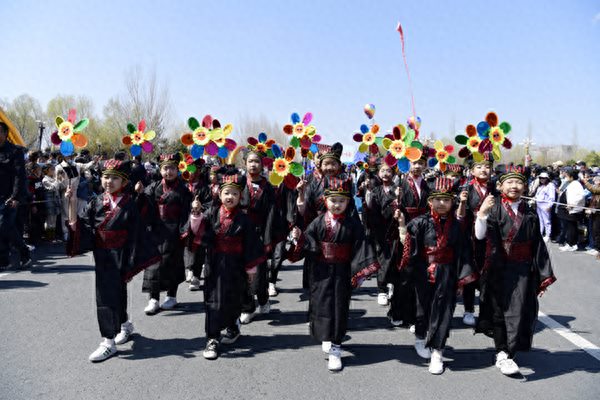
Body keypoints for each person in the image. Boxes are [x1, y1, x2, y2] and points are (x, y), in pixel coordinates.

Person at [67, 159, 160, 362]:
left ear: (124, 182)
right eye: (106, 176)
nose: (109, 181)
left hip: (122, 255)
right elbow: (82, 226)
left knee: (113, 294)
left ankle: (109, 340)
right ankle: (120, 329)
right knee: (107, 296)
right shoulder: (96, 201)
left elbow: (136, 234)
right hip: (103, 256)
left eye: (114, 178)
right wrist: (72, 203)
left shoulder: (129, 204)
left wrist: (131, 263)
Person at [290, 177, 379, 372]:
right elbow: (309, 239)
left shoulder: (353, 225)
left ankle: (336, 348)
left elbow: (360, 247)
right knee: (321, 304)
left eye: (342, 200)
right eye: (333, 200)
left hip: (342, 270)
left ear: (348, 202)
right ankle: (326, 336)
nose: (337, 204)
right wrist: (300, 239)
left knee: (339, 307)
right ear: (325, 200)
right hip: (320, 269)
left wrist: (359, 273)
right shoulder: (318, 221)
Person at [475, 166, 556, 376]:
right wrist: (482, 214)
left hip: (522, 271)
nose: (514, 186)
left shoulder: (530, 213)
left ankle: (509, 350)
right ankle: (503, 352)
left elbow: (538, 245)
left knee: (519, 311)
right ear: (500, 185)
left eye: (518, 182)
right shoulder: (493, 207)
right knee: (499, 311)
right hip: (497, 268)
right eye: (509, 182)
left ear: (525, 187)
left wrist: (541, 274)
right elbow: (480, 236)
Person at [186, 166, 265, 360]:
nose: (230, 197)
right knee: (213, 301)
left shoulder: (244, 220)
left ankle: (232, 327)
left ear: (241, 196)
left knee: (233, 298)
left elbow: (251, 245)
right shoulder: (211, 213)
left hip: (236, 265)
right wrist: (195, 214)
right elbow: (196, 231)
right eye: (226, 193)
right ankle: (212, 338)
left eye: (235, 193)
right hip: (214, 264)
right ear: (219, 194)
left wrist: (251, 268)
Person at [399, 177, 475, 374]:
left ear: (453, 202)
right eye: (438, 199)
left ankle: (437, 352)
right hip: (423, 273)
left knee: (443, 312)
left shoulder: (457, 227)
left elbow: (463, 252)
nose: (442, 204)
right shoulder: (419, 223)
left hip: (447, 273)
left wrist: (461, 278)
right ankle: (420, 338)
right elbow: (409, 251)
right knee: (422, 309)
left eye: (447, 200)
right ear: (429, 201)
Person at [137, 153, 193, 314]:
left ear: (178, 169)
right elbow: (143, 207)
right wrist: (140, 194)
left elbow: (185, 212)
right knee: (152, 265)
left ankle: (171, 296)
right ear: (160, 170)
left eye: (172, 168)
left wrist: (184, 230)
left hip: (174, 231)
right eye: (165, 168)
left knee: (172, 264)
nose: (169, 172)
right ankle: (153, 299)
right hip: (155, 230)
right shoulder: (152, 187)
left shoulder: (183, 190)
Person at [239, 149, 276, 324]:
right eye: (250, 161)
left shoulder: (268, 187)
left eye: (257, 161)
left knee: (260, 271)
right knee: (242, 270)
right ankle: (248, 307)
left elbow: (271, 214)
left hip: (260, 232)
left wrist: (268, 238)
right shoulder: (238, 183)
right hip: (240, 232)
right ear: (245, 163)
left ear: (262, 165)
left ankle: (263, 299)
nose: (253, 164)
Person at [0, 122, 29, 269]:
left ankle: (22, 251)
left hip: (10, 196)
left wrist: (16, 196)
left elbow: (20, 175)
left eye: (0, 132)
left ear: (5, 134)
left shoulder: (15, 151)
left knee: (3, 225)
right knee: (6, 227)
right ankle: (5, 259)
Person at [557, 169, 585, 252]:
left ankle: (571, 244)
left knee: (571, 227)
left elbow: (581, 196)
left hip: (572, 209)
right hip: (567, 209)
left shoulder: (576, 184)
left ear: (571, 176)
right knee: (570, 227)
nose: (565, 177)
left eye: (567, 175)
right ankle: (572, 243)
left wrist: (572, 204)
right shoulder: (571, 183)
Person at [534, 172, 556, 242]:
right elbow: (537, 195)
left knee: (547, 221)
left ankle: (548, 235)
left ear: (547, 178)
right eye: (540, 178)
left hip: (545, 205)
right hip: (539, 205)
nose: (541, 179)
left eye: (543, 178)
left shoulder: (550, 185)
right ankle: (540, 233)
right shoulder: (540, 186)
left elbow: (552, 197)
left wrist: (549, 206)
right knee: (540, 220)